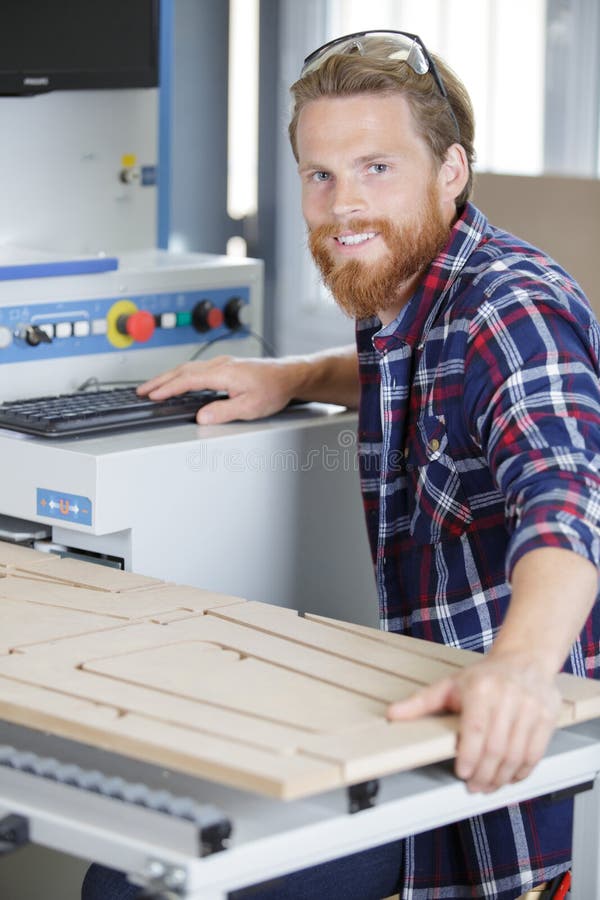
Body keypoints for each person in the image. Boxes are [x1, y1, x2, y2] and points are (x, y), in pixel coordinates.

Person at [82, 30, 600, 900]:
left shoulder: (514, 309)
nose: (344, 205)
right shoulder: (414, 285)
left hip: (498, 747)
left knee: (141, 886)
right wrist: (290, 375)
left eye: (376, 168)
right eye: (321, 175)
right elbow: (418, 374)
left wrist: (518, 669)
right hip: (414, 700)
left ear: (451, 171)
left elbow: (566, 502)